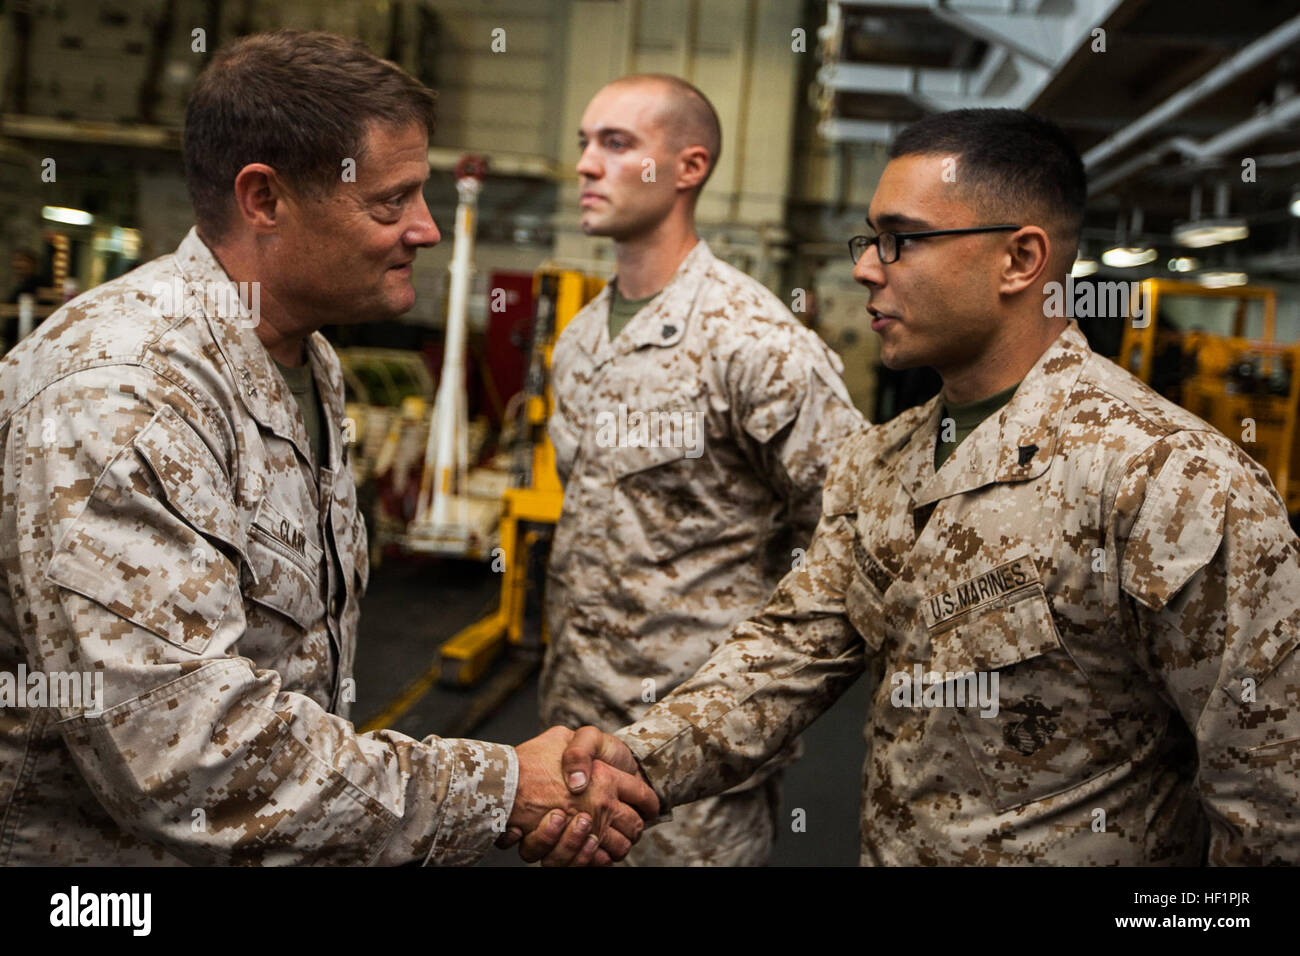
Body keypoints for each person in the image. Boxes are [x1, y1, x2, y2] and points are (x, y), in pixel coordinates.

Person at [545, 109, 1300, 865]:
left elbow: (1271, 798)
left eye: (900, 240)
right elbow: (788, 652)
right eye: (869, 239)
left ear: (1019, 260)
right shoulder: (880, 462)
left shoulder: (1170, 480)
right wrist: (630, 765)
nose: (867, 267)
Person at [0, 30, 654, 867]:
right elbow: (185, 757)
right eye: (391, 202)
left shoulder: (305, 359)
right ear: (264, 200)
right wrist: (496, 789)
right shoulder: (120, 397)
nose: (426, 230)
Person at [533, 74, 865, 866]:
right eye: (584, 141)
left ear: (689, 167)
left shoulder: (755, 342)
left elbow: (857, 529)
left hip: (692, 766)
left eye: (616, 144)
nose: (585, 163)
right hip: (573, 740)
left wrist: (747, 708)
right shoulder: (580, 342)